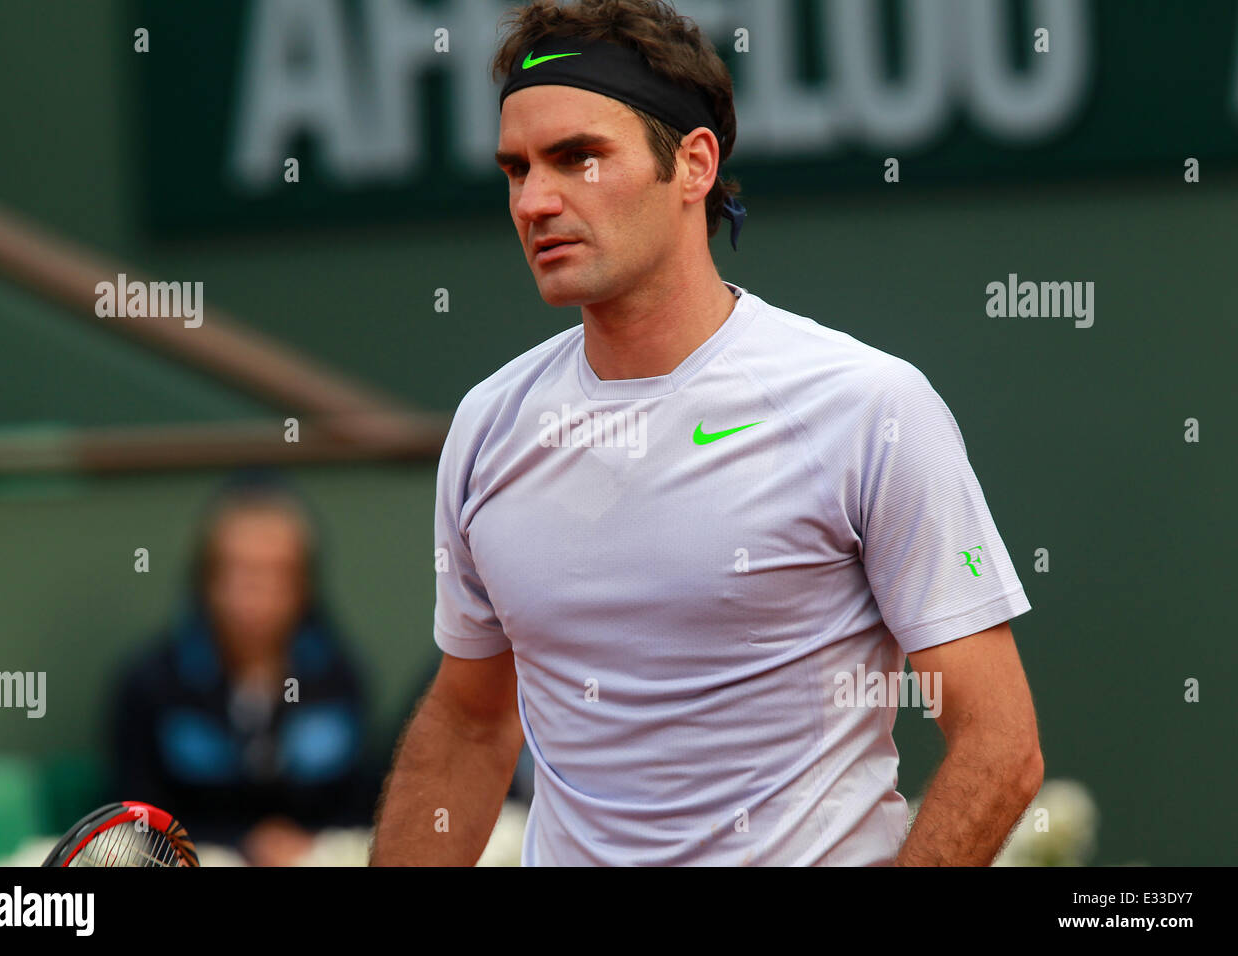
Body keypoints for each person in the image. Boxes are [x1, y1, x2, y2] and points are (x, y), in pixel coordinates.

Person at [373, 0, 1041, 867]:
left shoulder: (871, 407)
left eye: (578, 158)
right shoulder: (487, 424)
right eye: (516, 169)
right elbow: (470, 721)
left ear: (693, 165)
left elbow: (1000, 746)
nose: (535, 201)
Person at [110, 472, 377, 866]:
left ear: (304, 585)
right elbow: (133, 820)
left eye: (277, 573)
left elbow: (363, 811)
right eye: (240, 572)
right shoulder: (151, 684)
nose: (257, 595)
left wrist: (307, 844)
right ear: (206, 579)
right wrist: (244, 842)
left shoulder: (340, 680)